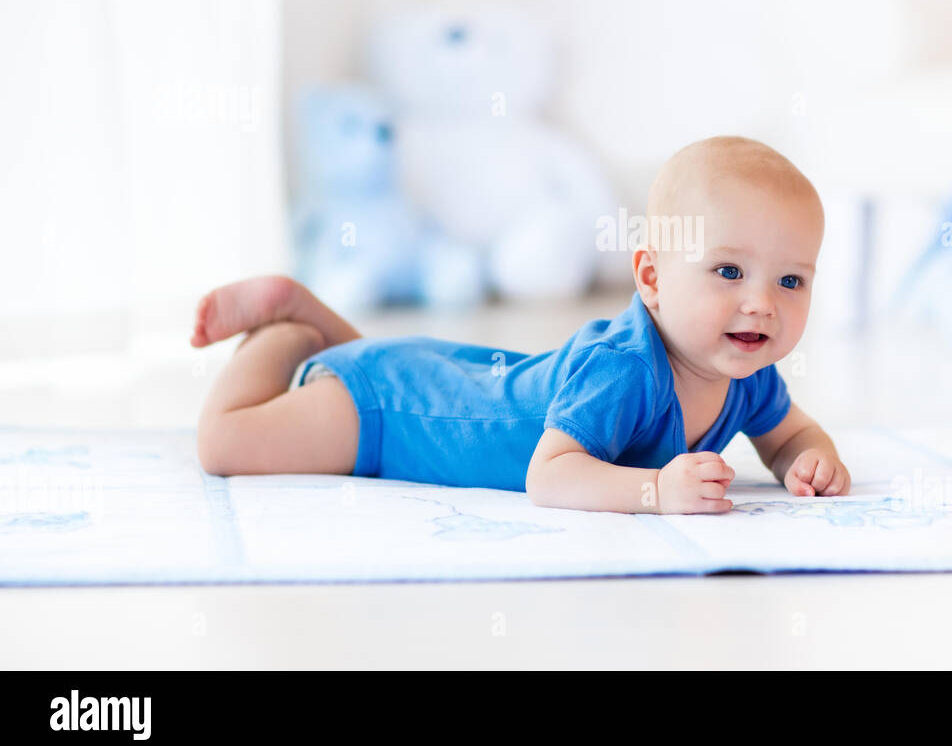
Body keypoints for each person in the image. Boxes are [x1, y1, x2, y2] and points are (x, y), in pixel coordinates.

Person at [192, 135, 851, 514]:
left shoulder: (748, 372)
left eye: (790, 281)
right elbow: (551, 476)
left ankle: (313, 326)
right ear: (650, 279)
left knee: (384, 360)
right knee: (225, 445)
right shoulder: (624, 369)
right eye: (730, 272)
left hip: (437, 376)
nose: (763, 303)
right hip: (386, 415)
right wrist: (655, 492)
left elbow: (790, 433)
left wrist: (809, 459)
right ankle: (285, 329)